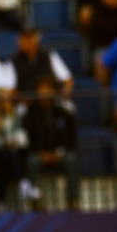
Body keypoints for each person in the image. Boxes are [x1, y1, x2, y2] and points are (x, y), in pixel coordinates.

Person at [23, 78, 80, 209]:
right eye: (41, 90)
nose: (44, 93)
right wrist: (40, 152)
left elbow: (71, 139)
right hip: (39, 153)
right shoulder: (31, 113)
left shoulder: (64, 113)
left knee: (71, 159)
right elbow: (27, 138)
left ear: (54, 92)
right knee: (32, 161)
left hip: (59, 153)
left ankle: (73, 200)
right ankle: (34, 200)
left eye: (48, 90)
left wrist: (59, 152)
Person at [10, 26, 74, 101]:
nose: (28, 42)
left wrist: (64, 93)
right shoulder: (13, 60)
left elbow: (67, 79)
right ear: (19, 41)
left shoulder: (49, 55)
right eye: (25, 38)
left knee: (68, 107)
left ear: (36, 39)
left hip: (53, 100)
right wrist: (24, 99)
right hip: (27, 104)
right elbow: (10, 90)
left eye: (30, 38)